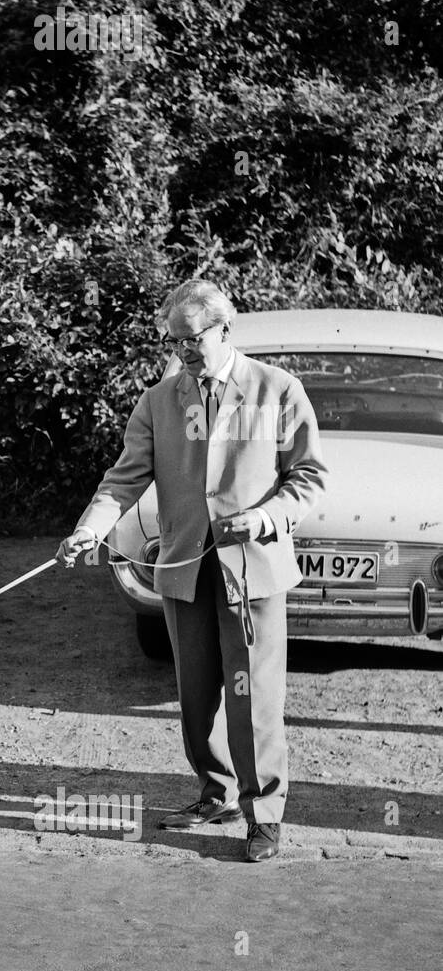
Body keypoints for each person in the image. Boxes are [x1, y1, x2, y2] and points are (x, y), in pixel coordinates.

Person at [58, 279, 329, 862]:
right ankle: (218, 791)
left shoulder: (277, 390)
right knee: (196, 695)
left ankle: (265, 816)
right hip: (184, 571)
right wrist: (91, 528)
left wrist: (262, 519)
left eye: (192, 339)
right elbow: (124, 479)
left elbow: (308, 478)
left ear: (224, 329)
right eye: (173, 342)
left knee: (251, 696)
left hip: (251, 572)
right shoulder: (158, 401)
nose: (182, 351)